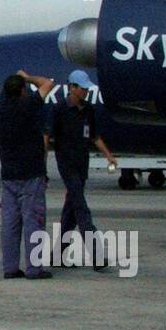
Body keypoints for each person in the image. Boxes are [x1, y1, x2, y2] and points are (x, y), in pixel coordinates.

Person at [46, 70, 118, 270]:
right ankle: (97, 255)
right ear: (72, 87)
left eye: (87, 89)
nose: (86, 92)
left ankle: (57, 255)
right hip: (67, 165)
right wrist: (41, 163)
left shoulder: (88, 110)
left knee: (70, 211)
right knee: (82, 209)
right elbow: (47, 136)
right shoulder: (59, 109)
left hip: (81, 165)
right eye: (83, 88)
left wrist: (108, 155)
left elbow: (95, 136)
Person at [0, 69, 56, 280]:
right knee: (33, 222)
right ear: (22, 91)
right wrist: (28, 77)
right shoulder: (28, 105)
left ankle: (10, 268)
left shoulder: (0, 109)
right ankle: (34, 268)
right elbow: (48, 83)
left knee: (10, 224)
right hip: (31, 172)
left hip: (9, 173)